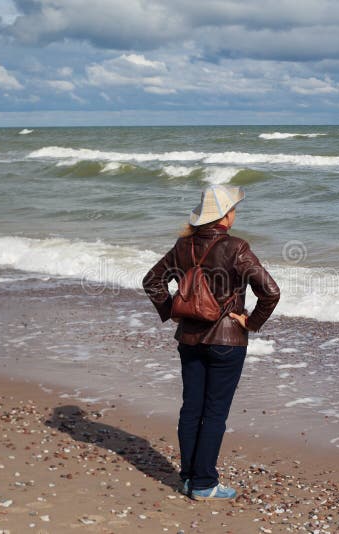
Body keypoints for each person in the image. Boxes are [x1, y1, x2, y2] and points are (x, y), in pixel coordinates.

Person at [143, 184, 280, 501]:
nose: (235, 214)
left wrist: (173, 312)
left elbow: (152, 281)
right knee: (214, 413)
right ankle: (204, 484)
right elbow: (270, 292)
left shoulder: (183, 246)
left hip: (189, 338)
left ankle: (190, 478)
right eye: (233, 209)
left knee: (191, 409)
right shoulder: (237, 247)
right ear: (224, 217)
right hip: (226, 342)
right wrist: (251, 322)